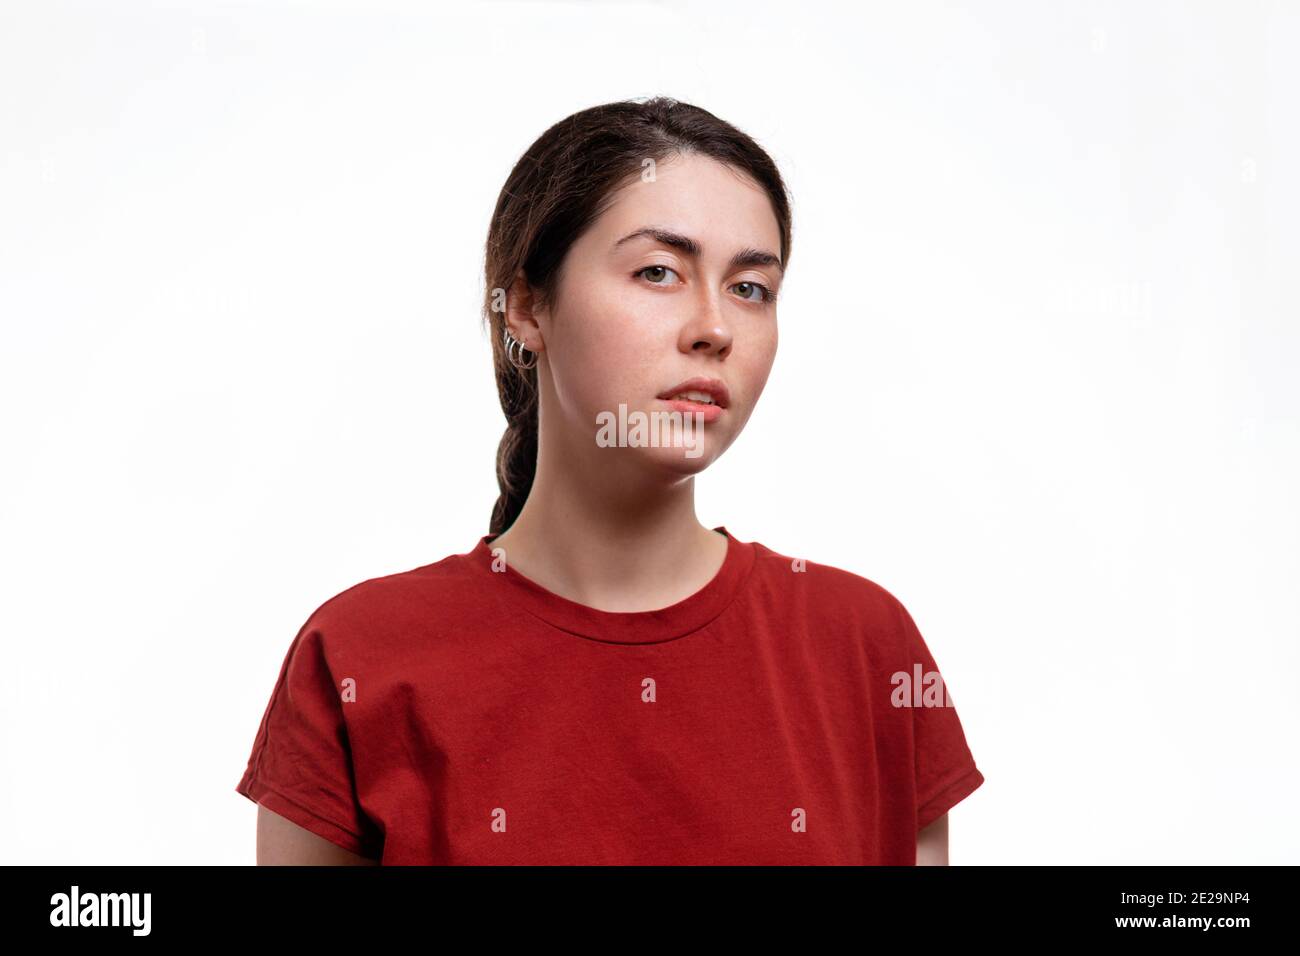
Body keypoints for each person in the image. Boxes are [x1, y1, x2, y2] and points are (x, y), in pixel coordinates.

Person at [235, 96, 985, 865]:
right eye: (658, 271)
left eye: (750, 288)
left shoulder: (865, 649)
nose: (714, 328)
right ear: (525, 304)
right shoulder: (362, 655)